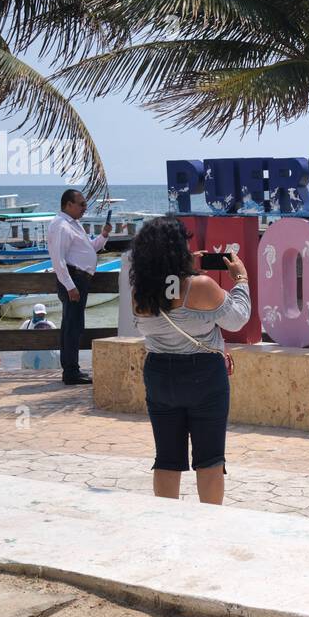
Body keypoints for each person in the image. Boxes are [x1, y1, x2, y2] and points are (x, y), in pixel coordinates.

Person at [130, 217, 250, 506]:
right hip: (202, 376)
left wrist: (181, 273)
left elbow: (156, 322)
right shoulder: (202, 286)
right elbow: (238, 318)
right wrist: (241, 280)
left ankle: (166, 519)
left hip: (159, 373)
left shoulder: (140, 293)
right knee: (209, 458)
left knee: (167, 458)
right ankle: (207, 526)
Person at [47, 188, 111, 385]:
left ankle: (71, 370)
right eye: (81, 204)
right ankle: (71, 372)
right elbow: (58, 259)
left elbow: (89, 249)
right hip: (74, 280)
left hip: (79, 279)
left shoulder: (73, 224)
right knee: (72, 327)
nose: (85, 208)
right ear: (68, 205)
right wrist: (70, 286)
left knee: (72, 326)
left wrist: (104, 236)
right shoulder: (61, 225)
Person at [18, 303, 60, 370]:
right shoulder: (27, 324)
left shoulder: (49, 324)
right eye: (38, 314)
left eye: (42, 314)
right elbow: (19, 337)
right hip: (30, 352)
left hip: (46, 353)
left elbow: (57, 338)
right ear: (33, 313)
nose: (40, 316)